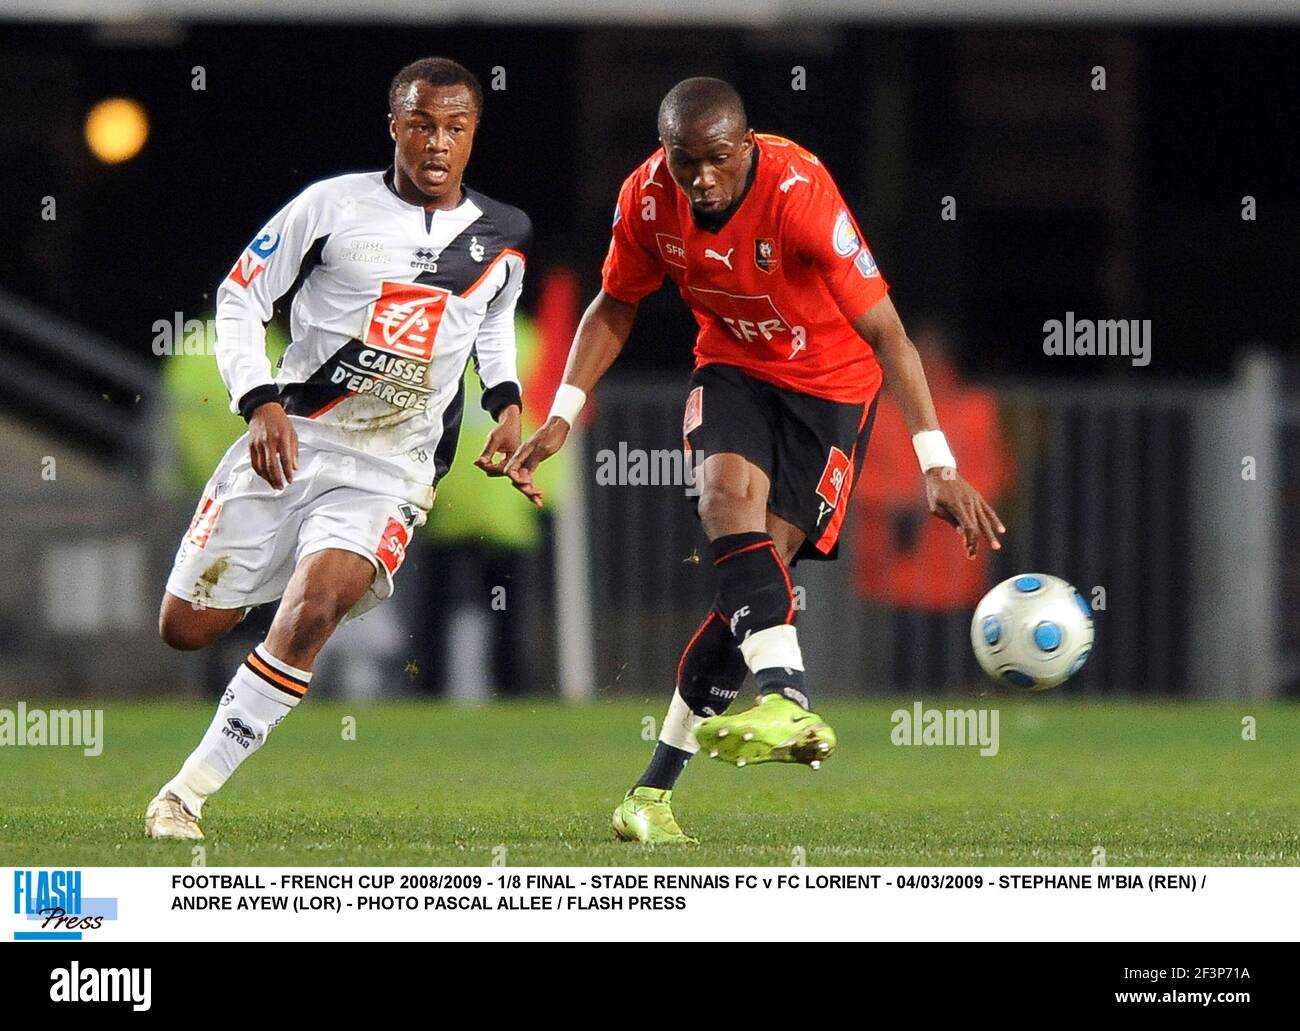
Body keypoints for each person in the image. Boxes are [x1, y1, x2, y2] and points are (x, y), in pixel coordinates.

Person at [506, 77, 1004, 844]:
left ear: (745, 146)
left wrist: (935, 462)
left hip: (830, 390)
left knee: (755, 587)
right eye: (682, 161)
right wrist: (562, 414)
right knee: (724, 497)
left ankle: (649, 793)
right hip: (733, 369)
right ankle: (789, 697)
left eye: (715, 161)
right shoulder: (645, 198)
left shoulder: (800, 192)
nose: (699, 179)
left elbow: (891, 335)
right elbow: (615, 302)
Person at [145, 57, 532, 840]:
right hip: (296, 440)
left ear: (473, 136)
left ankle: (184, 793)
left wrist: (507, 402)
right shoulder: (329, 206)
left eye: (456, 128)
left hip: (393, 466)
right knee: (185, 627)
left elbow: (490, 320)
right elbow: (238, 296)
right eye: (422, 123)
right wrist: (257, 402)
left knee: (316, 607)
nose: (437, 143)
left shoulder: (504, 235)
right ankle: (284, 562)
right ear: (395, 125)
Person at [853, 320, 1014, 690]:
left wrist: (930, 502)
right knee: (900, 668)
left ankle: (954, 727)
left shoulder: (976, 409)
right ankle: (911, 728)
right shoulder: (879, 411)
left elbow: (996, 473)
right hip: (894, 568)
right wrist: (901, 502)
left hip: (956, 564)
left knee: (958, 663)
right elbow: (858, 477)